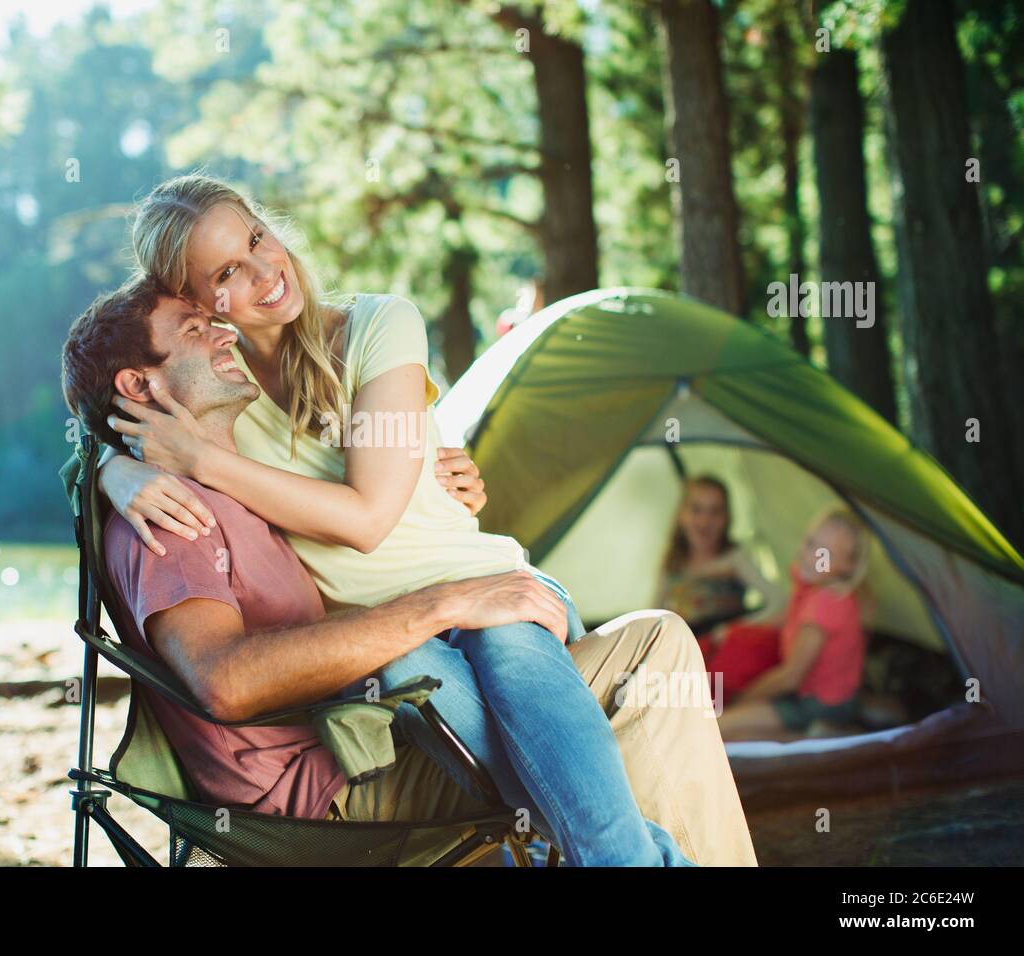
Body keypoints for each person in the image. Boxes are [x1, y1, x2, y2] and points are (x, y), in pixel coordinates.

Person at [61, 273, 757, 865]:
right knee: (653, 658)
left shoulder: (229, 475)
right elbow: (226, 681)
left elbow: (88, 452)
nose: (223, 332)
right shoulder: (168, 515)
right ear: (137, 382)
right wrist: (444, 603)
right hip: (336, 785)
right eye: (192, 330)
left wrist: (431, 475)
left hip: (375, 728)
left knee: (640, 651)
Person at [714, 510, 870, 741]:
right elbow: (784, 617)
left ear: (848, 567)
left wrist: (743, 698)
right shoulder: (813, 588)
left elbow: (789, 678)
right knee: (727, 719)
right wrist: (736, 630)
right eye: (810, 544)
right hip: (815, 695)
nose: (811, 557)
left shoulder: (825, 603)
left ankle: (800, 738)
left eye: (825, 555)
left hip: (819, 705)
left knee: (717, 729)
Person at [655, 475, 786, 641]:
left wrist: (736, 630)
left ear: (727, 518)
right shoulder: (673, 563)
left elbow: (779, 600)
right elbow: (654, 616)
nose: (705, 521)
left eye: (715, 512)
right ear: (681, 515)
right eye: (696, 509)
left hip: (723, 646)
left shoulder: (734, 559)